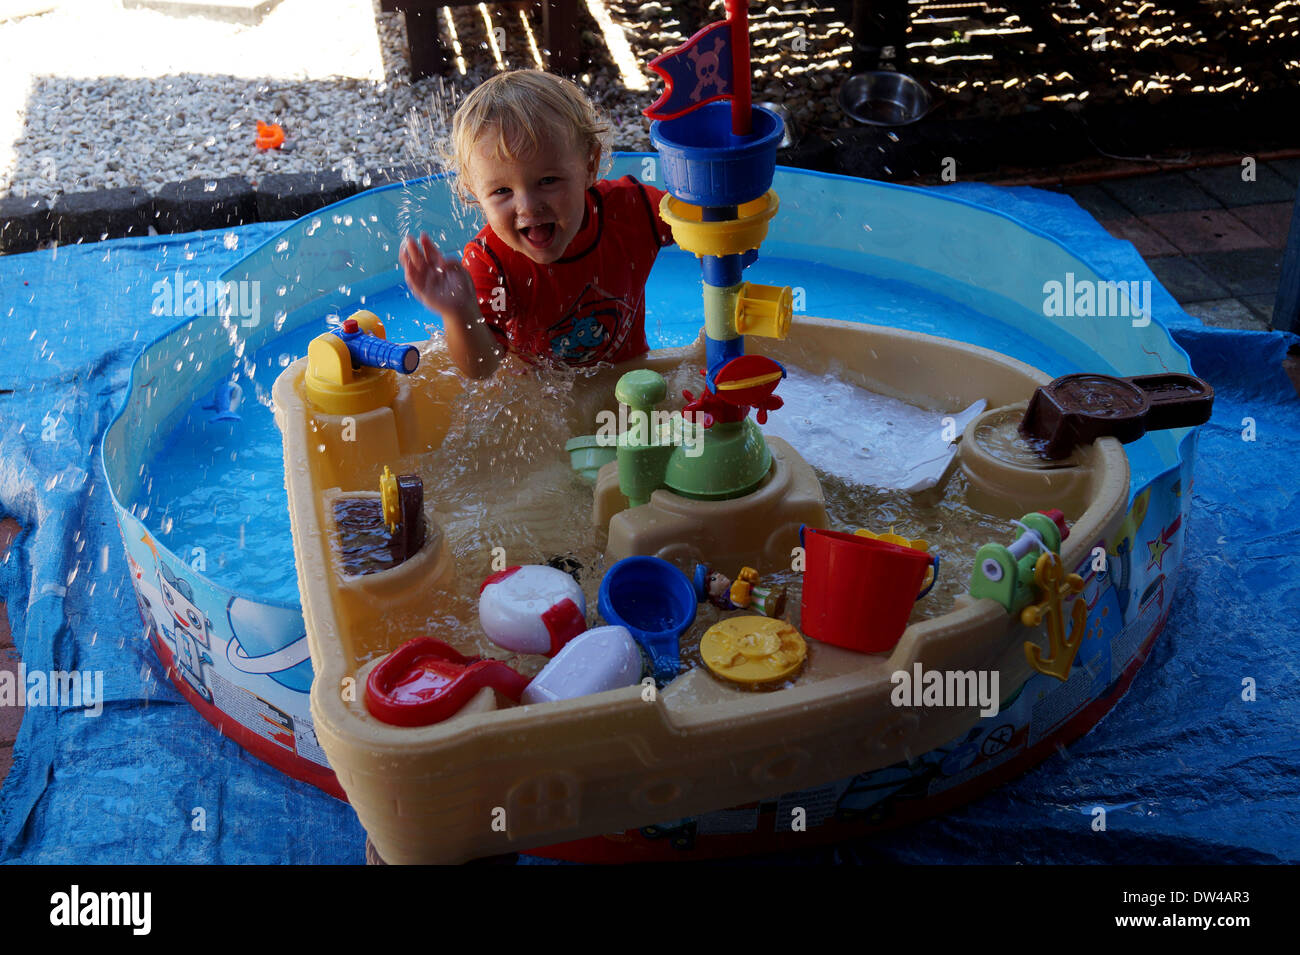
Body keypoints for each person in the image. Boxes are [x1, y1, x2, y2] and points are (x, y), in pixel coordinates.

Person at [400, 70, 674, 379]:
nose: (528, 207)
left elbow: (706, 223)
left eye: (548, 180)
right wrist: (459, 312)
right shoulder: (490, 263)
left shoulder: (632, 210)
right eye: (502, 191)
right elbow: (481, 368)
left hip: (632, 388)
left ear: (589, 165)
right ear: (474, 192)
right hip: (547, 409)